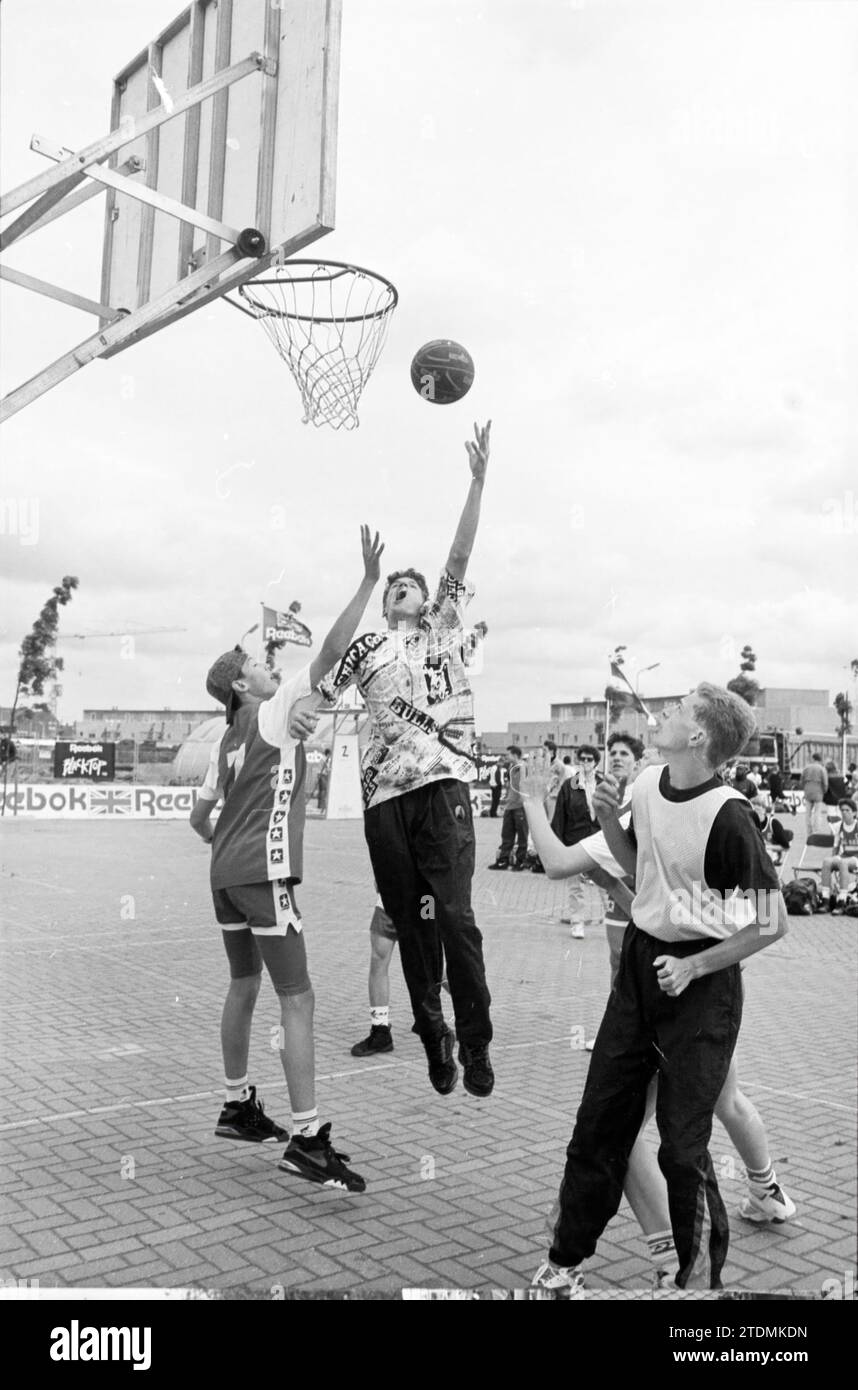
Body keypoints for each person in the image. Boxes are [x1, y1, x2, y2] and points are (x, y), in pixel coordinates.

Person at [529, 683, 788, 1293]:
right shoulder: (647, 785)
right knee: (600, 1125)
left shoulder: (729, 817)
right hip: (642, 972)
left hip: (702, 982)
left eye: (676, 711)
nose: (662, 715)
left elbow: (771, 922)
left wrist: (698, 967)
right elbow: (634, 859)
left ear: (697, 736)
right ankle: (564, 1264)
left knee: (681, 1147)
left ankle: (692, 1281)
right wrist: (602, 818)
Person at [189, 526, 384, 1191]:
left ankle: (237, 1101)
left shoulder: (224, 739)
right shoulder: (271, 711)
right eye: (256, 661)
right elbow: (332, 648)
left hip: (223, 875)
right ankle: (306, 1138)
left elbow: (198, 819)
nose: (267, 663)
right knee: (297, 999)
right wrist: (366, 583)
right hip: (262, 874)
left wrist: (230, 834)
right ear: (241, 683)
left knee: (244, 986)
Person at [310, 423, 495, 1100]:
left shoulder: (442, 626)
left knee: (455, 917)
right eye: (394, 590)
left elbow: (459, 552)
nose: (402, 593)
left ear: (427, 602)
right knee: (413, 932)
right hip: (383, 804)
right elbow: (321, 667)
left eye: (406, 588)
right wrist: (363, 582)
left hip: (442, 785)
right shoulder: (367, 650)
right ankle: (432, 1038)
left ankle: (475, 1039)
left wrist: (477, 481)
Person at [550, 744, 602, 938]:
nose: (586, 763)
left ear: (596, 762)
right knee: (575, 886)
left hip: (599, 839)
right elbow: (560, 816)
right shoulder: (570, 785)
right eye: (582, 759)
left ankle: (615, 923)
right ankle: (577, 922)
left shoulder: (604, 783)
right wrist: (559, 844)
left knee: (607, 886)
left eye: (589, 759)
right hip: (575, 840)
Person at [489, 745, 528, 872]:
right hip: (510, 805)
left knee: (522, 835)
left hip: (520, 806)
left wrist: (523, 802)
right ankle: (503, 860)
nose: (506, 757)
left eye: (508, 755)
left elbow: (524, 786)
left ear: (515, 755)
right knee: (507, 834)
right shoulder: (511, 767)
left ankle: (520, 861)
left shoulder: (522, 767)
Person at [819, 799, 858, 912]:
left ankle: (842, 900)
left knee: (843, 862)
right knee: (827, 861)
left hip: (856, 858)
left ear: (854, 813)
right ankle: (825, 900)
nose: (844, 812)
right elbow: (835, 847)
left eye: (848, 810)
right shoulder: (838, 826)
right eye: (842, 810)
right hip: (844, 857)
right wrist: (832, 860)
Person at [800, 755, 828, 835]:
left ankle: (809, 831)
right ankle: (816, 831)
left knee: (807, 813)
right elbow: (825, 782)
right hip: (818, 791)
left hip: (808, 790)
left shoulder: (806, 768)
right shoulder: (822, 769)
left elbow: (801, 780)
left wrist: (804, 788)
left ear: (813, 759)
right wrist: (824, 791)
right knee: (817, 812)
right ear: (819, 760)